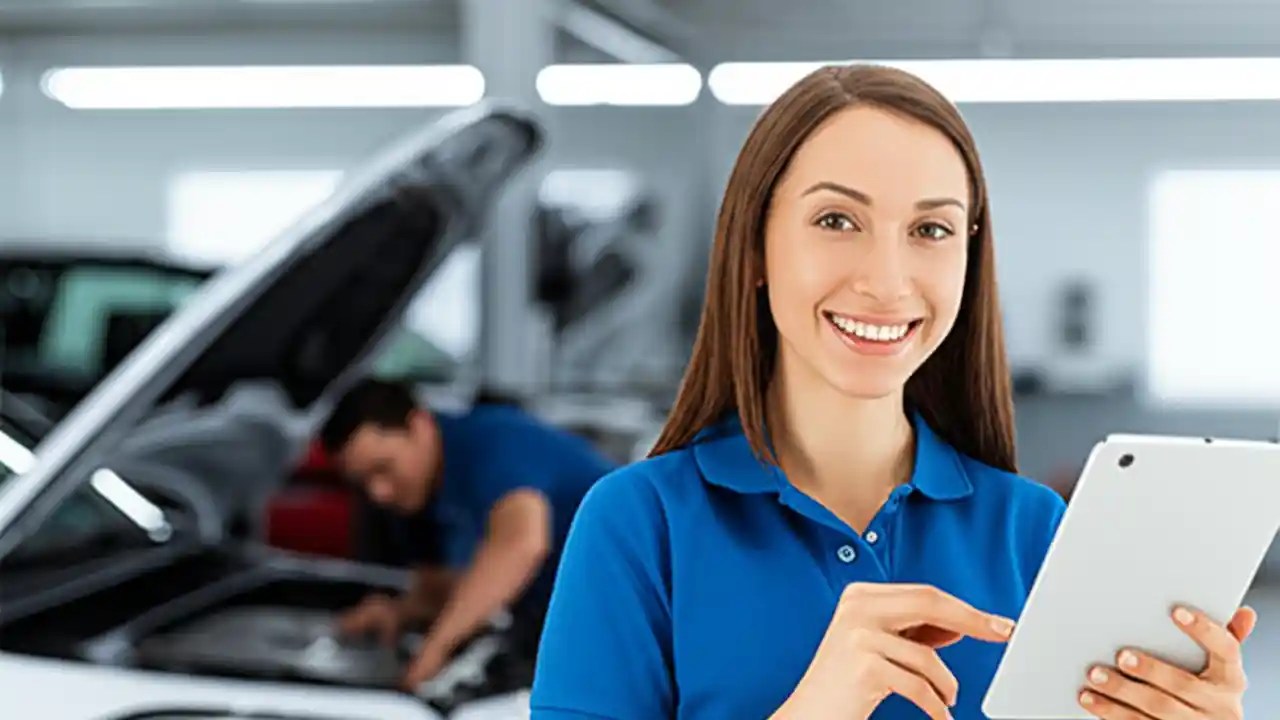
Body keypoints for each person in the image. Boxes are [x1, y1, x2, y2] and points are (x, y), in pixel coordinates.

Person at [529, 65, 1258, 719]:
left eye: (932, 229)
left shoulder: (1033, 530)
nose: (886, 281)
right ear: (753, 247)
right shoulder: (639, 524)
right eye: (836, 220)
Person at [318, 378, 616, 690]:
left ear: (418, 426)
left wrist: (435, 651)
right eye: (363, 482)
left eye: (384, 468)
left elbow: (521, 544)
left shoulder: (490, 442)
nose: (378, 493)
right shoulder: (418, 495)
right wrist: (398, 612)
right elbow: (452, 589)